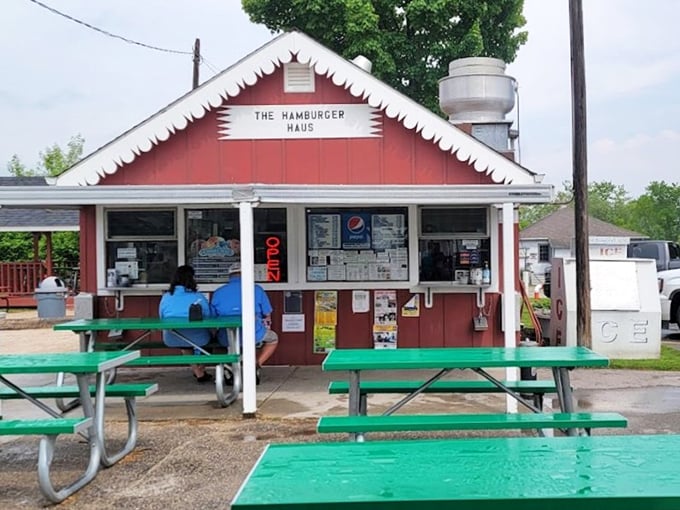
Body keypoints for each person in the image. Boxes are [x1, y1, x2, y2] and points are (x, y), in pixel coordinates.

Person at [211, 262, 278, 384]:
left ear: (230, 276)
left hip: (226, 336)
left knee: (219, 345)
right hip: (253, 333)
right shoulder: (256, 289)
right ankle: (256, 365)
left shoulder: (219, 292)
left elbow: (212, 317)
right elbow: (267, 313)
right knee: (273, 339)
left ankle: (228, 369)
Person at [158, 265, 214, 382]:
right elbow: (208, 316)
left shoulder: (166, 297)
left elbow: (161, 316)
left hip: (173, 337)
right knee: (213, 340)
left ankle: (198, 372)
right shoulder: (198, 296)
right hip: (199, 337)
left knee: (185, 343)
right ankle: (200, 369)